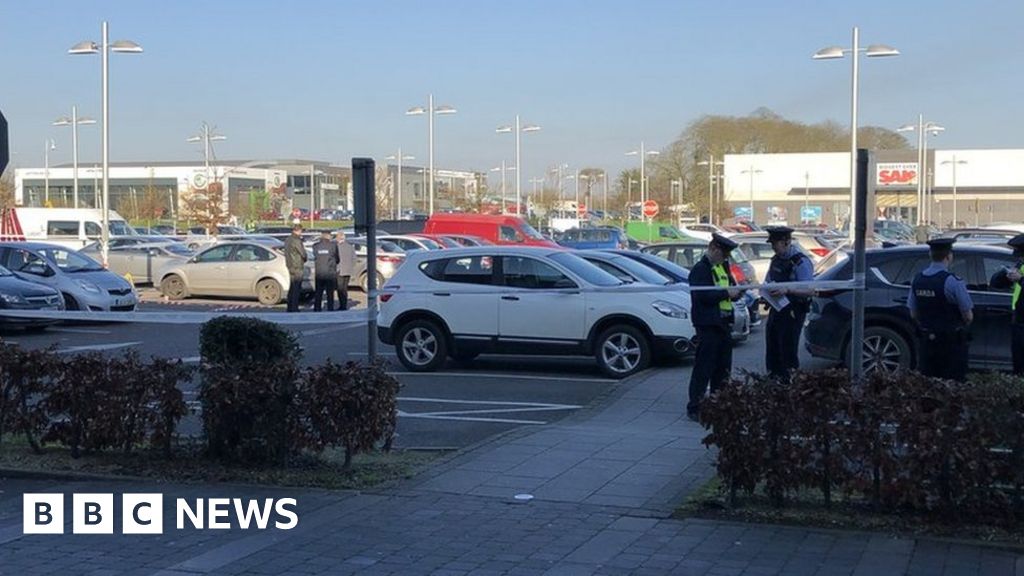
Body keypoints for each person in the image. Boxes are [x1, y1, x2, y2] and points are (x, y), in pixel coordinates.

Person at [687, 233, 744, 421]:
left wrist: (736, 293)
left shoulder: (722, 267)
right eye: (723, 254)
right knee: (704, 367)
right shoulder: (700, 270)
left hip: (723, 323)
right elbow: (703, 296)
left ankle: (719, 404)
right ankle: (695, 406)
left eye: (727, 255)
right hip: (708, 324)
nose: (725, 258)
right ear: (713, 249)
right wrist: (726, 293)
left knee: (722, 368)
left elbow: (732, 287)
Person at [908, 237, 974, 381]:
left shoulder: (917, 279)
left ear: (930, 255)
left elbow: (913, 313)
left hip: (927, 342)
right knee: (953, 383)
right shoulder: (953, 281)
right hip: (951, 344)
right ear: (949, 256)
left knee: (927, 384)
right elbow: (968, 316)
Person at [763, 226, 815, 380]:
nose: (773, 248)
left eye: (775, 244)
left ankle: (790, 385)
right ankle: (773, 380)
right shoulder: (776, 260)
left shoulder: (800, 262)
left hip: (793, 312)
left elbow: (810, 290)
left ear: (786, 242)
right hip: (776, 309)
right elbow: (767, 282)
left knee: (788, 350)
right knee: (773, 349)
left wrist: (787, 290)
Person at [989, 234, 1024, 375]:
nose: (1020, 259)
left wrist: (1021, 280)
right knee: (1019, 367)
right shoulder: (1020, 266)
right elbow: (995, 283)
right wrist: (1005, 275)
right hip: (1018, 323)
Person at [312, 230, 340, 311]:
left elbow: (315, 256)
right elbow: (337, 259)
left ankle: (317, 308)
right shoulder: (333, 246)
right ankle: (330, 308)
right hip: (330, 273)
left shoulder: (315, 246)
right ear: (328, 236)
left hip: (319, 272)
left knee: (318, 292)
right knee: (330, 293)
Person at [283, 224, 307, 312]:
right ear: (298, 230)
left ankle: (290, 307)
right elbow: (303, 253)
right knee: (296, 288)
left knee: (292, 287)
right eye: (301, 231)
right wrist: (305, 258)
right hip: (297, 266)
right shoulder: (296, 240)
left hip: (290, 265)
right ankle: (294, 307)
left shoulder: (288, 239)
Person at [336, 231, 357, 311]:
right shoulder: (350, 247)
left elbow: (335, 259)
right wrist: (351, 267)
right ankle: (344, 305)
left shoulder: (337, 247)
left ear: (338, 238)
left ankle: (342, 305)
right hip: (348, 271)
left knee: (340, 289)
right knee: (345, 288)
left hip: (340, 271)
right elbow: (354, 259)